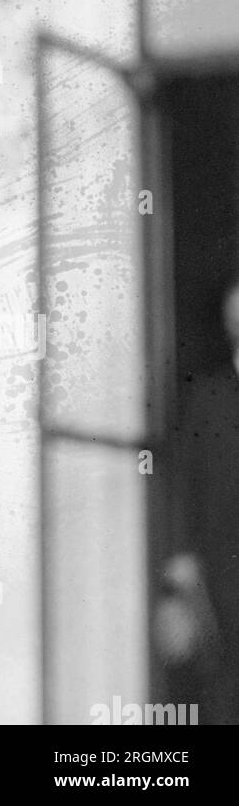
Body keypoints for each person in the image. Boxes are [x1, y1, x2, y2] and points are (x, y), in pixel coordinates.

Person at [156, 273, 239, 723]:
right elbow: (183, 480)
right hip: (222, 569)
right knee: (223, 685)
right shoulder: (207, 398)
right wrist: (180, 563)